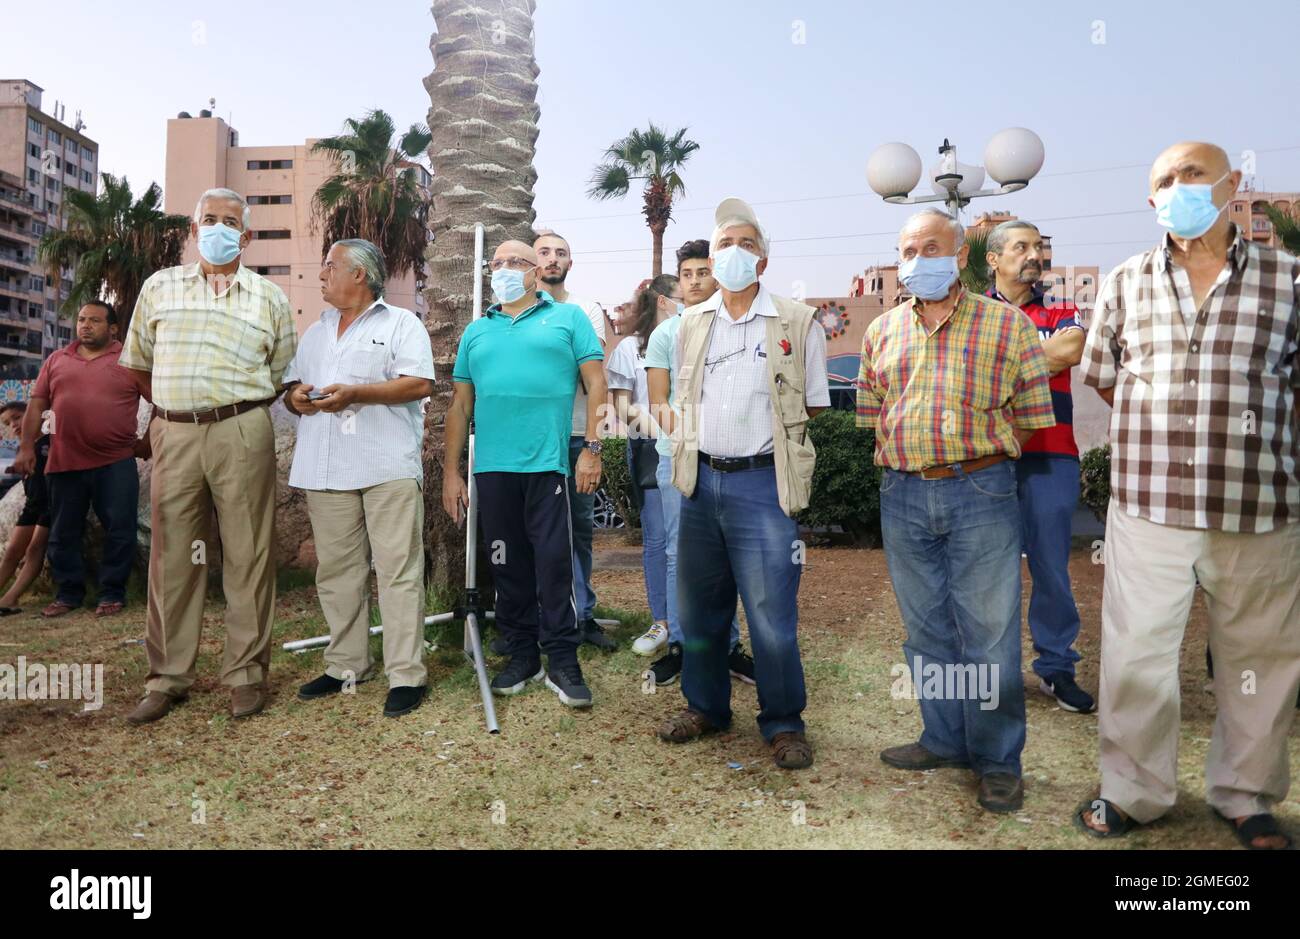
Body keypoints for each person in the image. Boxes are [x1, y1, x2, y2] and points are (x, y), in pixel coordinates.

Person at [1076, 142, 1300, 850]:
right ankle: (1134, 792)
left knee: (1259, 661)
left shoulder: (1289, 279)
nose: (1177, 189)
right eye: (1164, 182)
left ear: (1232, 185)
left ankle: (1246, 795)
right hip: (1147, 508)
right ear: (1151, 203)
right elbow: (1106, 376)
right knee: (1138, 657)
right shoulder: (1123, 282)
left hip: (1258, 504)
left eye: (1192, 175)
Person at [858, 208, 1057, 814]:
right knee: (926, 632)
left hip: (982, 491)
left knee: (990, 633)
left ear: (963, 251)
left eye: (931, 247)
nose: (919, 259)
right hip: (903, 493)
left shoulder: (1008, 326)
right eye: (908, 250)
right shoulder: (881, 331)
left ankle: (997, 760)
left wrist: (975, 458)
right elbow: (873, 418)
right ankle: (943, 739)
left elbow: (1029, 416)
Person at [657, 199, 828, 769]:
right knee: (701, 610)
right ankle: (706, 707)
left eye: (746, 244)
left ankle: (782, 722)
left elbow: (812, 407)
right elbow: (680, 399)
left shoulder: (798, 322)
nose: (733, 252)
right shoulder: (688, 324)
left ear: (764, 260)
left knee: (770, 614)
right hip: (701, 481)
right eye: (724, 243)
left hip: (763, 486)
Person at [119, 187, 297, 724]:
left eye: (230, 223)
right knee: (174, 556)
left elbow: (280, 375)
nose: (218, 230)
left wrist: (228, 407)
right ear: (193, 230)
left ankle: (246, 675)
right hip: (173, 433)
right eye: (208, 220)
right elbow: (136, 365)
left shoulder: (270, 298)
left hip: (242, 430)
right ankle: (167, 677)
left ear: (246, 236)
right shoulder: (159, 287)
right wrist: (177, 408)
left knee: (249, 553)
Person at [443, 240, 607, 709]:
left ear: (536, 273)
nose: (506, 270)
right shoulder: (476, 331)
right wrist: (451, 474)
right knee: (505, 565)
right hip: (493, 471)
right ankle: (521, 655)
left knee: (554, 564)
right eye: (497, 263)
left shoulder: (568, 319)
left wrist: (592, 450)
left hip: (548, 465)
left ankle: (561, 658)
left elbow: (597, 384)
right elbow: (459, 405)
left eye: (516, 262)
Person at [283, 240, 436, 718]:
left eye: (331, 266)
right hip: (325, 467)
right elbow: (290, 389)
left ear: (361, 275)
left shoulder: (401, 324)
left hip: (386, 466)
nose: (322, 274)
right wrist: (298, 399)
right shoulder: (317, 330)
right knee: (337, 573)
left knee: (397, 571)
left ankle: (406, 673)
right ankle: (346, 665)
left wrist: (357, 394)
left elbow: (419, 384)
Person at [985, 220, 1093, 713]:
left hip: (1052, 456)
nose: (1033, 254)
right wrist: (1034, 362)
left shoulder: (1063, 313)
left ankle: (1055, 668)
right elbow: (967, 370)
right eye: (1020, 246)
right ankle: (996, 673)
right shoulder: (974, 315)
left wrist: (1003, 366)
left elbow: (1070, 349)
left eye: (1038, 246)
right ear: (994, 259)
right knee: (988, 570)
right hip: (988, 459)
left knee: (1051, 568)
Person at [640, 239, 754, 686]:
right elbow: (658, 401)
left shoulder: (737, 327)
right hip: (679, 460)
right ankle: (681, 648)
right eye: (686, 275)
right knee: (676, 554)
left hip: (733, 464)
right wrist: (691, 443)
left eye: (702, 273)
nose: (693, 282)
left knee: (724, 557)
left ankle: (726, 649)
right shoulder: (666, 334)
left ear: (718, 275)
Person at [13, 301, 147, 619]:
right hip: (64, 462)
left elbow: (160, 399)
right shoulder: (57, 360)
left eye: (95, 321)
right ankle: (68, 594)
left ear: (113, 328)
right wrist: (26, 448)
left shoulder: (131, 361)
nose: (85, 325)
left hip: (116, 462)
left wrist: (149, 440)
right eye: (81, 320)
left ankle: (112, 594)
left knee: (120, 529)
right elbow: (36, 406)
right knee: (62, 532)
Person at [534, 230, 615, 651]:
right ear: (532, 261)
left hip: (576, 437)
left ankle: (582, 615)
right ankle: (540, 618)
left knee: (578, 530)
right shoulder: (517, 310)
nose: (552, 259)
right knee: (534, 531)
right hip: (530, 440)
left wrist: (592, 446)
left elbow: (590, 374)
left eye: (560, 253)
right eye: (544, 252)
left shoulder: (586, 309)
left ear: (570, 262)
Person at [608, 275, 679, 660]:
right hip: (652, 446)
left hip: (699, 444)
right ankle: (662, 622)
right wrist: (664, 432)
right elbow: (622, 404)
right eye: (679, 297)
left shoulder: (697, 337)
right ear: (661, 302)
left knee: (691, 541)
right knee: (658, 539)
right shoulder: (630, 349)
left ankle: (694, 624)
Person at [0, 402, 50, 614]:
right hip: (32, 505)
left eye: (17, 418)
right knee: (12, 550)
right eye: (7, 423)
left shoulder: (50, 441)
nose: (14, 425)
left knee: (34, 549)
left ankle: (11, 598)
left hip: (51, 504)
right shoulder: (23, 448)